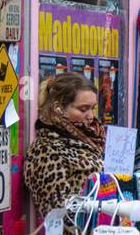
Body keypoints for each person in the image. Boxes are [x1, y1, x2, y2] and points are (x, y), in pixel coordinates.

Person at [26, 73, 104, 216]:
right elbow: (57, 213)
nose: (91, 116)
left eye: (93, 108)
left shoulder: (90, 139)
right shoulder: (46, 151)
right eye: (83, 109)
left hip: (105, 234)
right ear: (58, 109)